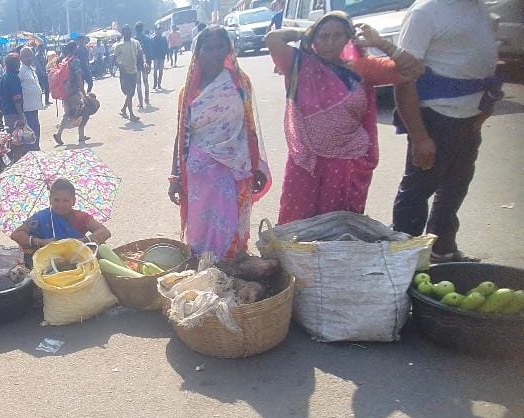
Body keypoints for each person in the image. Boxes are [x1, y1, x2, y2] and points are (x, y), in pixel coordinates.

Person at [266, 13, 423, 224]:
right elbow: (272, 39)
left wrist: (380, 43)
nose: (330, 43)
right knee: (296, 225)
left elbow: (414, 70)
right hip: (306, 161)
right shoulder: (298, 65)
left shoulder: (361, 68)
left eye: (338, 36)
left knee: (339, 226)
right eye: (323, 36)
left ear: (348, 38)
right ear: (314, 39)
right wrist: (305, 33)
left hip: (347, 162)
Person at [391, 0, 500, 263]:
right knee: (418, 191)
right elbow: (403, 78)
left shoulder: (478, 7)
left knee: (455, 188)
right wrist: (420, 137)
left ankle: (443, 250)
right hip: (437, 117)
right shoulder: (425, 12)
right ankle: (404, 262)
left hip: (470, 117)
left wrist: (483, 112)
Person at [167, 26, 271, 261]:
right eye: (208, 48)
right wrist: (175, 177)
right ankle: (204, 269)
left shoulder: (240, 84)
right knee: (202, 233)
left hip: (237, 167)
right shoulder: (188, 93)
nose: (214, 53)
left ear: (229, 49)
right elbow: (181, 134)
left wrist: (258, 166)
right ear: (198, 52)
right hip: (201, 174)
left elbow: (249, 127)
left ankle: (232, 268)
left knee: (233, 229)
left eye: (219, 47)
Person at [9, 178, 112, 266]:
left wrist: (79, 242)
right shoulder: (41, 218)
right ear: (50, 200)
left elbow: (105, 232)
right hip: (49, 264)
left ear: (74, 201)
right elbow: (16, 234)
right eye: (56, 200)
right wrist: (42, 242)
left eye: (66, 200)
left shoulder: (81, 217)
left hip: (78, 261)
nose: (61, 205)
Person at [53, 42, 96, 146]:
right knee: (84, 110)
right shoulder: (75, 61)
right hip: (74, 92)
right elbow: (79, 78)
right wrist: (83, 93)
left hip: (65, 91)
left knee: (67, 113)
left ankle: (58, 134)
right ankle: (81, 135)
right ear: (74, 49)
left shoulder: (64, 60)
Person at [0, 52, 27, 158]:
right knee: (18, 140)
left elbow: (1, 98)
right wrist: (21, 114)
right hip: (15, 112)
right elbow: (17, 98)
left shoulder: (3, 77)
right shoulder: (14, 77)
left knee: (12, 138)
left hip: (7, 112)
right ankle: (18, 161)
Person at [114, 25, 144, 121]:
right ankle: (131, 114)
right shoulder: (119, 45)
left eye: (129, 30)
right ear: (123, 33)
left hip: (134, 71)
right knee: (129, 91)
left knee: (131, 93)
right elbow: (113, 60)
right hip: (124, 72)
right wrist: (119, 65)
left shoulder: (136, 43)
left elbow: (140, 54)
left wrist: (144, 65)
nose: (128, 32)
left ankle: (123, 109)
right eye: (126, 31)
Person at [18, 46, 44, 151]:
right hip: (27, 107)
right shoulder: (20, 70)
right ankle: (31, 150)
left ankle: (36, 147)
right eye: (27, 56)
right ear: (22, 57)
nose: (30, 58)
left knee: (36, 127)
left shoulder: (30, 68)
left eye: (31, 55)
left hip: (34, 106)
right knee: (30, 129)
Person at [135, 22, 153, 108]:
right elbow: (149, 52)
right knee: (146, 82)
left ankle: (140, 102)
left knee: (138, 84)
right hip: (145, 64)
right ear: (142, 28)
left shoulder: (134, 40)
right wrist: (149, 63)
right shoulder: (147, 38)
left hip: (137, 65)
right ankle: (147, 100)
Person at [152, 25, 169, 89]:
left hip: (162, 56)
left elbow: (166, 47)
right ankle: (155, 84)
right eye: (157, 30)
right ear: (155, 31)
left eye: (160, 30)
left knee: (161, 71)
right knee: (155, 71)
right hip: (155, 57)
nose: (159, 32)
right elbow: (152, 48)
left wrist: (167, 55)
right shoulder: (153, 39)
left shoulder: (164, 38)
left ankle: (159, 84)